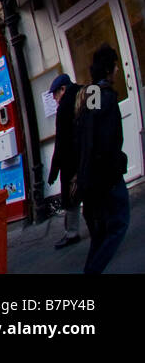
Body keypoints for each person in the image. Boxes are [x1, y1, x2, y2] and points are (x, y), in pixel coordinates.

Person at [75, 45, 130, 274]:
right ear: (108, 69)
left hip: (93, 178)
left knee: (101, 232)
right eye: (115, 66)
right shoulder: (105, 96)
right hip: (107, 176)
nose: (117, 70)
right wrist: (115, 166)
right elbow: (104, 142)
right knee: (118, 224)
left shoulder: (94, 94)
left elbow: (87, 136)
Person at [47, 73, 83, 249]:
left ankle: (72, 233)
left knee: (71, 198)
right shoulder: (87, 93)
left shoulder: (64, 108)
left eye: (55, 94)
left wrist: (53, 171)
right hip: (90, 154)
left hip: (72, 160)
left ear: (63, 89)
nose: (55, 99)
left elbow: (61, 142)